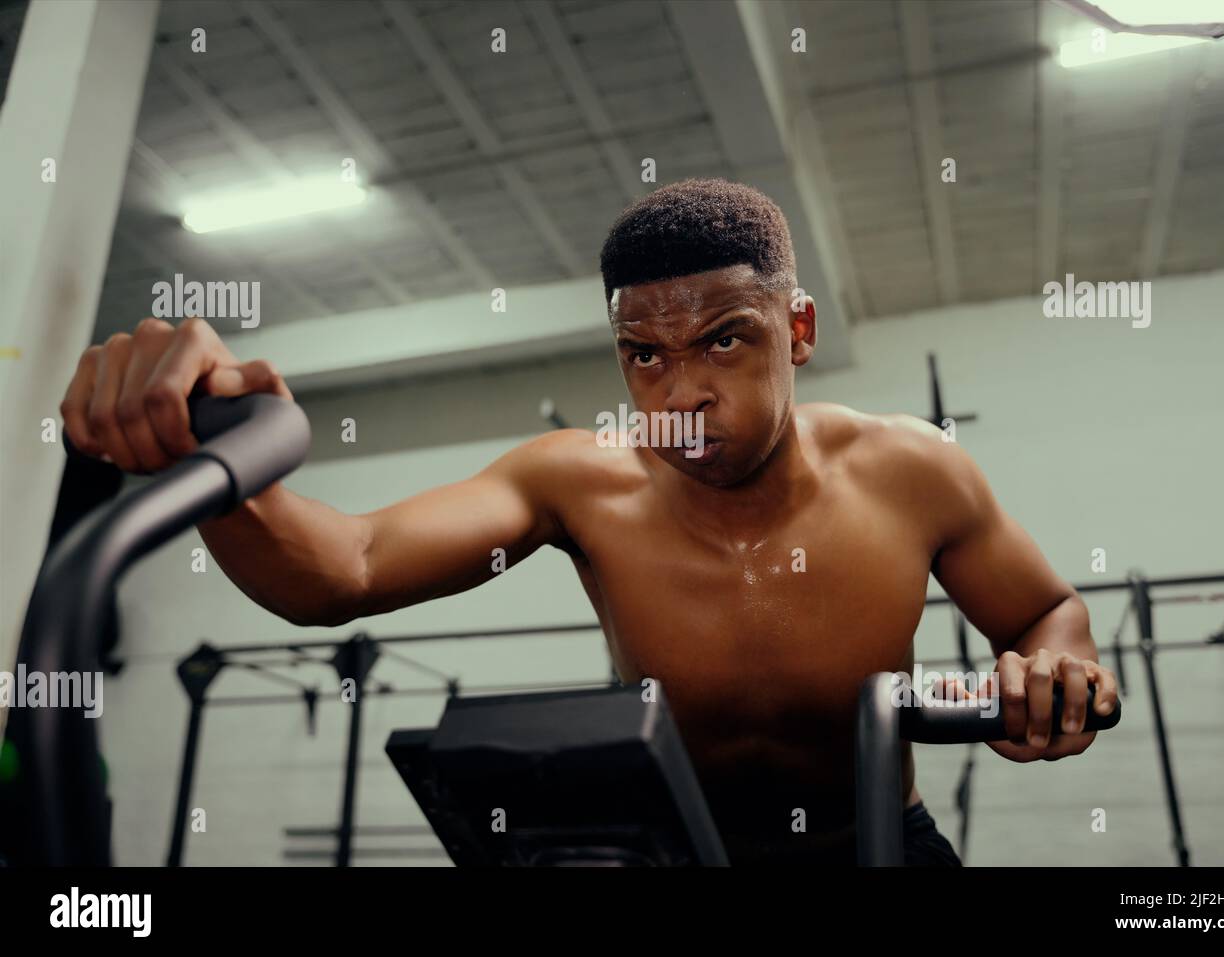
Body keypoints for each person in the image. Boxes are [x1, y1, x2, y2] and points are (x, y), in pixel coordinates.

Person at [60, 178, 1119, 866]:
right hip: (664, 855)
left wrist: (1052, 667)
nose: (678, 393)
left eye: (723, 341)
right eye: (644, 355)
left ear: (795, 331)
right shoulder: (578, 481)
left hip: (882, 845)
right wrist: (210, 453)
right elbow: (344, 569)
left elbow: (1046, 613)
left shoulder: (914, 470)